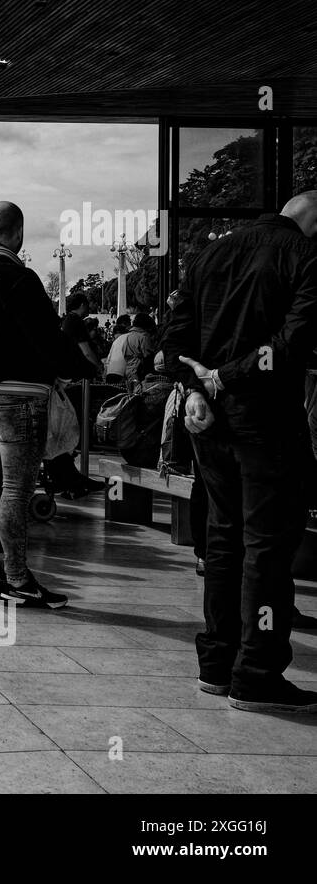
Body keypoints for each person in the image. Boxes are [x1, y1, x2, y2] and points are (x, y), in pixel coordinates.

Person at [164, 190, 317, 714]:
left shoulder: (211, 253)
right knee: (267, 550)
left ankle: (217, 665)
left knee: (223, 542)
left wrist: (201, 389)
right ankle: (255, 674)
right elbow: (293, 341)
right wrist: (224, 380)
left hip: (209, 424)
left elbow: (174, 342)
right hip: (266, 423)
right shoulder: (305, 256)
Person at [0, 201, 91, 608]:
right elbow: (47, 338)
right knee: (16, 489)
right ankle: (17, 579)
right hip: (19, 396)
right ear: (17, 233)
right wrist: (79, 366)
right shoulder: (19, 277)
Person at [108, 312, 155, 392]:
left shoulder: (128, 336)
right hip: (140, 373)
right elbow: (148, 357)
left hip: (129, 373)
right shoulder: (144, 337)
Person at [62, 292, 102, 377]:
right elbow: (86, 351)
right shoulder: (76, 321)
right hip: (80, 372)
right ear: (82, 305)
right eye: (88, 305)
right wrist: (99, 366)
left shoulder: (67, 319)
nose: (89, 308)